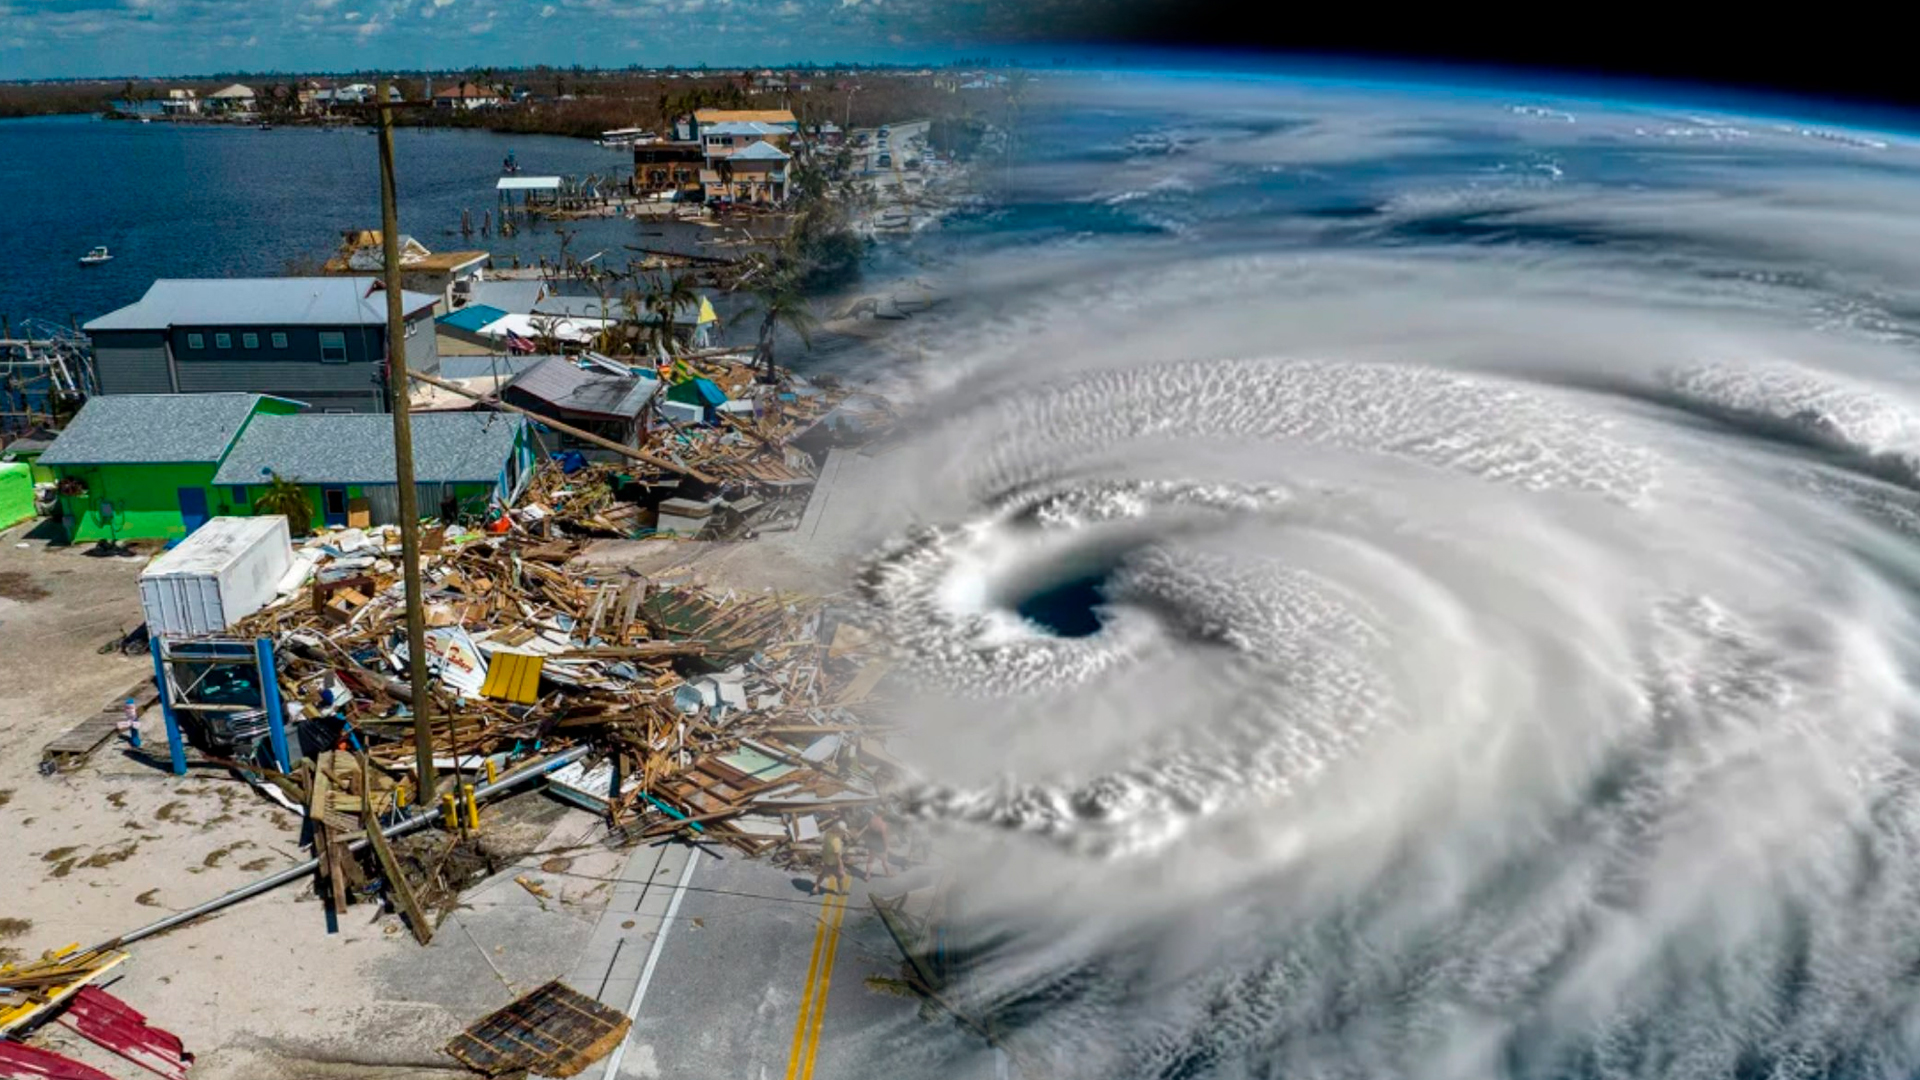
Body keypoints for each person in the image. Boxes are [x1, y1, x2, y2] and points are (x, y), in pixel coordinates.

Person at [812, 817, 849, 896]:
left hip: (826, 859)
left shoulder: (828, 833)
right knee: (840, 877)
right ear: (839, 831)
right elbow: (837, 856)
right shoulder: (836, 842)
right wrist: (841, 866)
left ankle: (816, 887)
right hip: (834, 862)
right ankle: (840, 891)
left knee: (823, 874)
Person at [856, 809, 892, 879]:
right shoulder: (883, 825)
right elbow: (884, 837)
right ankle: (888, 873)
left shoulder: (871, 820)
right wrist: (886, 847)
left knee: (870, 860)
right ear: (883, 814)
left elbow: (868, 832)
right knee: (884, 860)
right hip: (879, 845)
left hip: (871, 843)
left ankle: (867, 875)